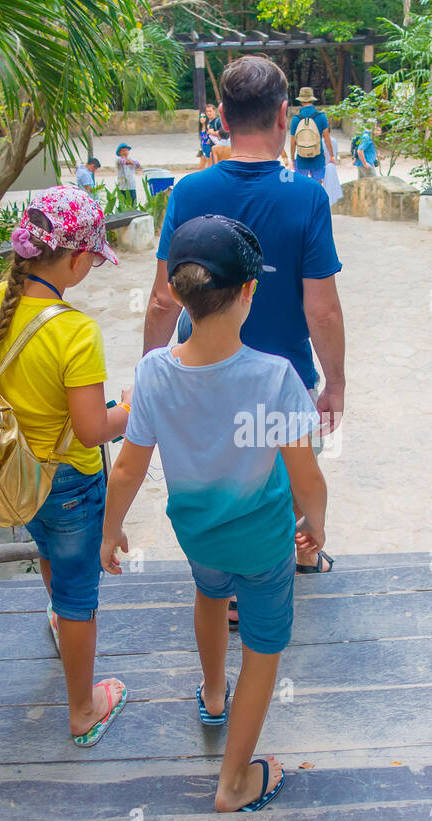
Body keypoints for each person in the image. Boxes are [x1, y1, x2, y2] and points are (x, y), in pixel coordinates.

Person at [103, 214, 328, 812]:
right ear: (250, 291)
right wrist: (316, 525)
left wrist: (111, 529)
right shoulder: (276, 378)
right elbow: (306, 475)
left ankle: (209, 695)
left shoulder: (152, 373)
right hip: (265, 541)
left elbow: (126, 468)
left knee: (208, 595)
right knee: (263, 649)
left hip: (198, 534)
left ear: (177, 292)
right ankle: (233, 784)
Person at [145, 55, 345, 585]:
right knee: (291, 470)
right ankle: (297, 552)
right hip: (285, 376)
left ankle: (227, 583)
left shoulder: (189, 192)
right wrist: (336, 382)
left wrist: (153, 370)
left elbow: (165, 301)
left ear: (224, 119)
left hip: (202, 374)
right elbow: (321, 309)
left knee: (222, 477)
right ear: (284, 115)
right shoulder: (306, 196)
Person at [0, 185, 131, 747]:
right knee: (80, 595)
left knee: (46, 550)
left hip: (10, 473)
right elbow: (93, 429)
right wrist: (130, 407)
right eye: (92, 259)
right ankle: (83, 709)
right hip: (68, 480)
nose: (92, 268)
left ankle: (57, 622)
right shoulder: (74, 331)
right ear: (74, 258)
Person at [288, 87, 334, 184]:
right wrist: (332, 155)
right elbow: (327, 139)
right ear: (312, 100)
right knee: (317, 185)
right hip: (318, 157)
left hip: (301, 158)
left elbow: (293, 142)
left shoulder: (296, 119)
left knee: (302, 186)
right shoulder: (321, 117)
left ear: (301, 101)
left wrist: (292, 158)